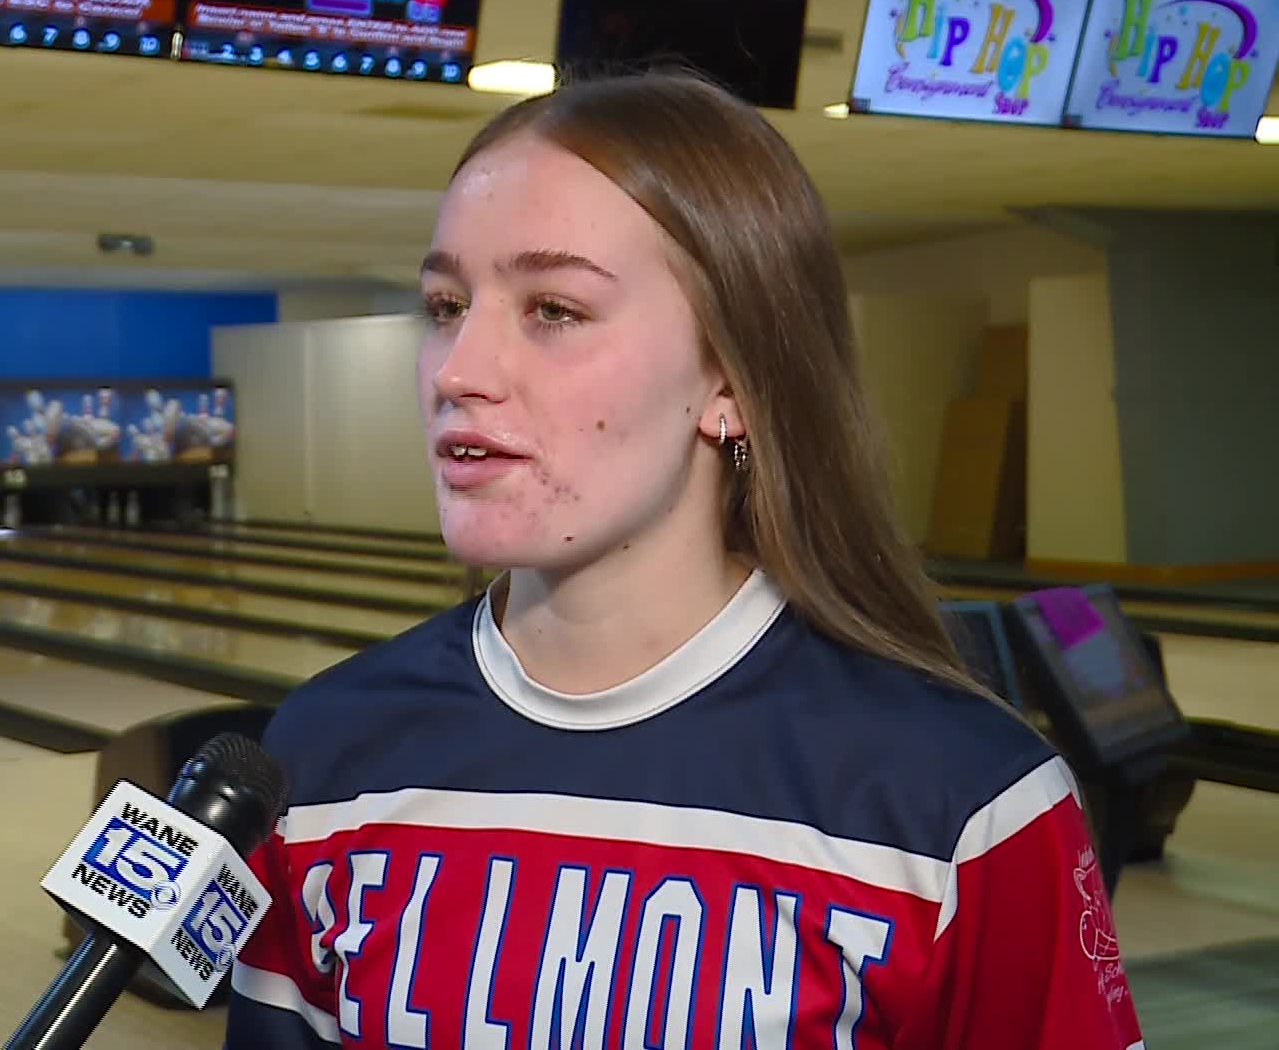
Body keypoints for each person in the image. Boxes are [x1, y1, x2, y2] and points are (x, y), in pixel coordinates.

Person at [224, 70, 1145, 1049]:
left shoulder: (966, 800)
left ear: (730, 381)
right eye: (447, 304)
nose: (457, 371)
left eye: (555, 310)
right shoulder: (322, 753)